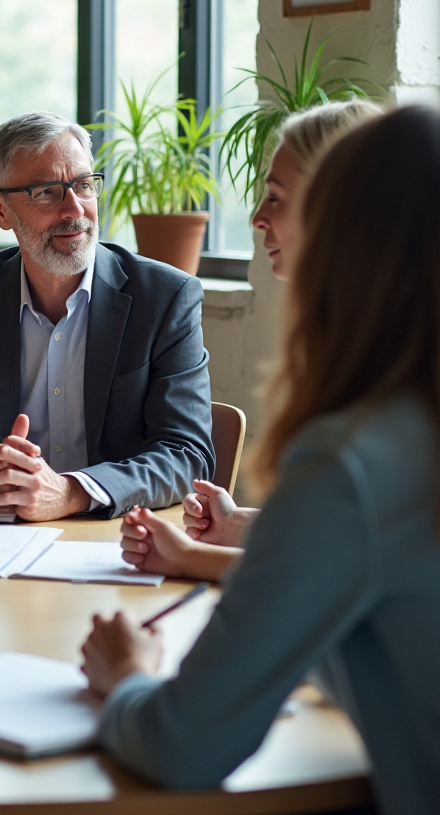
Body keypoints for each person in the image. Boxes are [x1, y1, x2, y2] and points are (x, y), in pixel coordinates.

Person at [80, 106, 440, 815]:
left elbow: (182, 747)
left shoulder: (352, 461)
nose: (261, 220)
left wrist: (128, 677)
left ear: (349, 245)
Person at [0, 111, 214, 521]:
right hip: (2, 538)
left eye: (84, 185)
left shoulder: (165, 297)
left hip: (116, 535)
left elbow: (187, 454)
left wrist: (71, 492)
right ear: (0, 211)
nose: (74, 209)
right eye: (45, 192)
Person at [123, 99, 381, 579]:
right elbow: (358, 533)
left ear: (338, 208)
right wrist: (239, 526)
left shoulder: (383, 365)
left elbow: (338, 574)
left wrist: (187, 558)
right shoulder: (365, 336)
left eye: (276, 198)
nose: (258, 218)